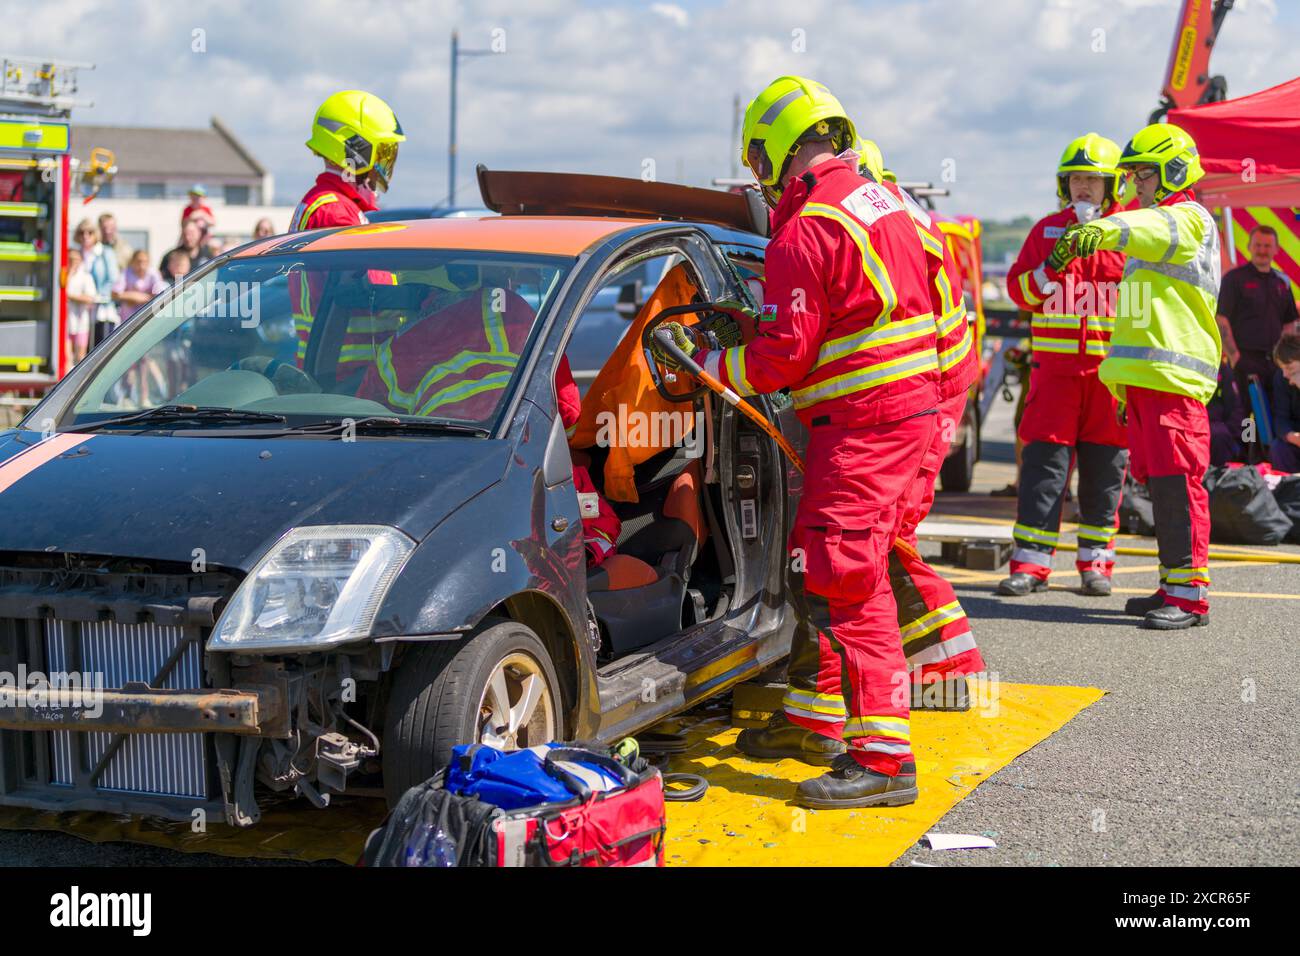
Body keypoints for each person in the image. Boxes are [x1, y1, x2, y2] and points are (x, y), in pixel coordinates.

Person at [653, 76, 940, 809]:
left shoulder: (807, 226)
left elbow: (784, 360)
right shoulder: (877, 202)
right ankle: (820, 721)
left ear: (770, 150)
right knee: (830, 564)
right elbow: (849, 317)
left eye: (756, 158)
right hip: (898, 414)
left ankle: (882, 761)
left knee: (847, 574)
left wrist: (715, 362)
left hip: (863, 423)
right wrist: (755, 327)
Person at [1062, 122, 1221, 630]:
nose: (1135, 186)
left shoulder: (1188, 218)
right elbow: (1130, 317)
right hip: (1149, 380)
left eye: (1143, 176)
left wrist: (1100, 229)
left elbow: (1151, 227)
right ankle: (1172, 582)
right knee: (1163, 485)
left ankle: (1191, 595)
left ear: (1173, 171)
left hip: (1174, 380)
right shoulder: (1152, 229)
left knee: (1180, 485)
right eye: (1131, 177)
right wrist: (1122, 383)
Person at [999, 134, 1129, 598]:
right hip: (1054, 379)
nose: (1083, 188)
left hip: (1107, 381)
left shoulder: (1127, 235)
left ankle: (1096, 566)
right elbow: (1021, 294)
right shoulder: (1046, 232)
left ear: (1111, 185)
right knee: (1043, 474)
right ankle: (1030, 567)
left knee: (1103, 475)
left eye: (1093, 180)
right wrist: (1051, 265)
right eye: (1076, 178)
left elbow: (1140, 309)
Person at [290, 90, 406, 379]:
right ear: (357, 151)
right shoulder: (335, 214)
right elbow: (370, 290)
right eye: (383, 151)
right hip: (347, 370)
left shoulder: (330, 205)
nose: (386, 162)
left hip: (338, 363)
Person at [1216, 224, 1299, 453]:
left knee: (1274, 409)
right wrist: (1235, 357)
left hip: (1276, 363)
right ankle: (1245, 453)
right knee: (1245, 413)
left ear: (1276, 250)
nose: (1262, 250)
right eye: (1258, 245)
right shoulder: (1235, 279)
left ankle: (1269, 454)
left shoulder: (1282, 282)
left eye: (1267, 246)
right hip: (1245, 359)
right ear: (1250, 247)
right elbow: (1222, 320)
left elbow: (1289, 322)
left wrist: (1287, 356)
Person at [75, 218, 120, 346]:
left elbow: (113, 278)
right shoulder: (75, 254)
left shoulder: (106, 252)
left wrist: (95, 298)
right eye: (81, 233)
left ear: (96, 234)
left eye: (90, 232)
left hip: (102, 311)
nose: (85, 236)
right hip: (79, 311)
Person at [1270, 331, 1300, 472]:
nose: (1285, 374)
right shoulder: (1281, 379)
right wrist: (1292, 436)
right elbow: (1280, 419)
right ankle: (1288, 491)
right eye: (1282, 368)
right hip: (1295, 439)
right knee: (1278, 448)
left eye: (1289, 368)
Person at [112, 248, 168, 323]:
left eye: (145, 262)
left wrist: (130, 297)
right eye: (138, 261)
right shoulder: (126, 272)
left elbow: (159, 296)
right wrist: (138, 296)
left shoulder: (154, 273)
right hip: (127, 321)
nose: (141, 265)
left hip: (148, 319)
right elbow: (115, 294)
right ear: (132, 262)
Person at [1207, 359, 1245, 466]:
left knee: (1219, 435)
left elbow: (1235, 407)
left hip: (1217, 429)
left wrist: (1231, 433)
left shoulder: (1221, 369)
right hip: (1188, 423)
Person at [63, 246, 97, 363]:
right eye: (70, 259)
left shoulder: (86, 277)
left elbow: (89, 298)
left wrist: (71, 297)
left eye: (76, 259)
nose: (73, 262)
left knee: (80, 357)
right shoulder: (63, 275)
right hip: (66, 322)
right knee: (66, 357)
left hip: (80, 321)